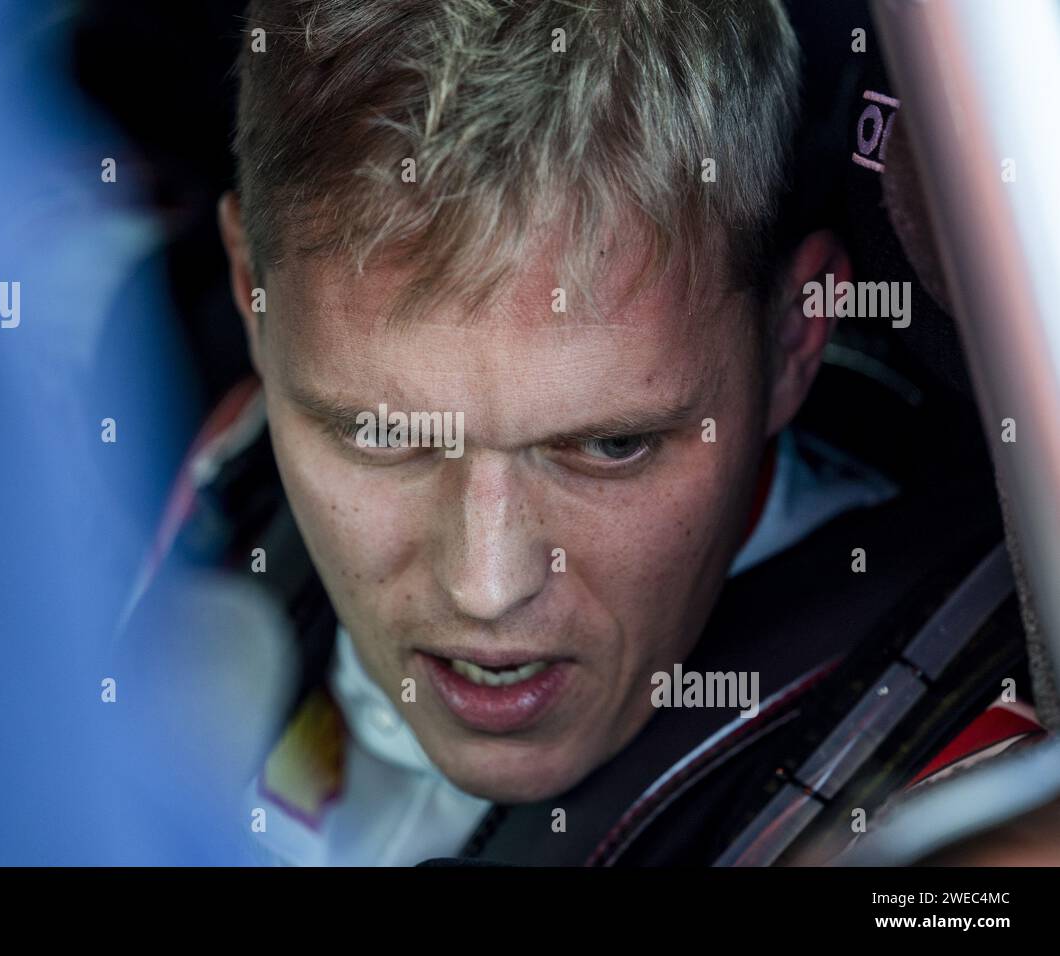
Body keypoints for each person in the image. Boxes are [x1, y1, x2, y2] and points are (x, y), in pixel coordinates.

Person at [128, 0, 1045, 865]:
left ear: (794, 335)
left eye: (610, 447)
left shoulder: (966, 802)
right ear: (252, 291)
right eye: (378, 435)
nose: (486, 589)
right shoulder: (192, 456)